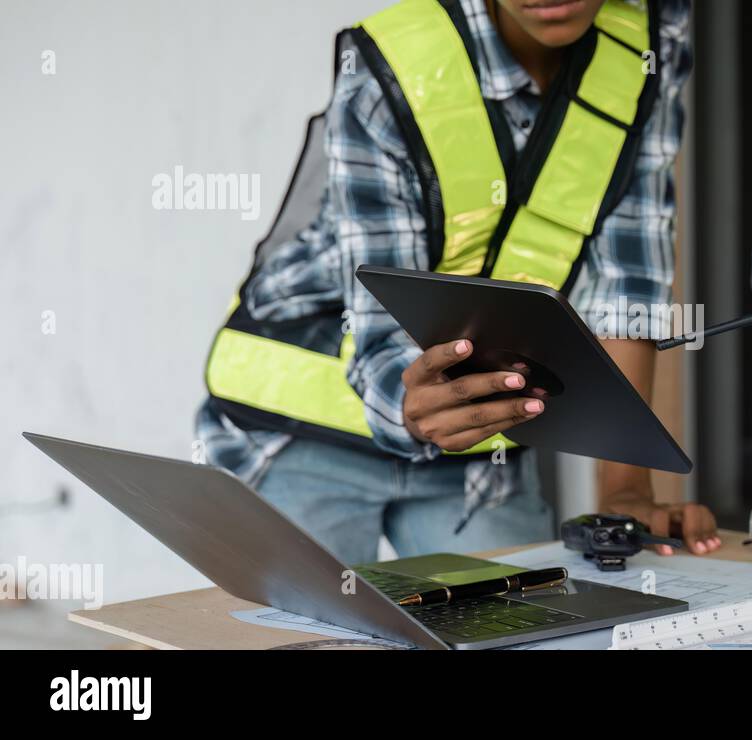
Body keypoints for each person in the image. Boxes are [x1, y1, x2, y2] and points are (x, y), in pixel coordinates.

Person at [197, 0, 721, 566]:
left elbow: (628, 278)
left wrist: (626, 491)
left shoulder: (646, 41)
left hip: (474, 448)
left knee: (545, 625)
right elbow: (375, 315)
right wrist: (415, 407)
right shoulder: (396, 64)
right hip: (297, 435)